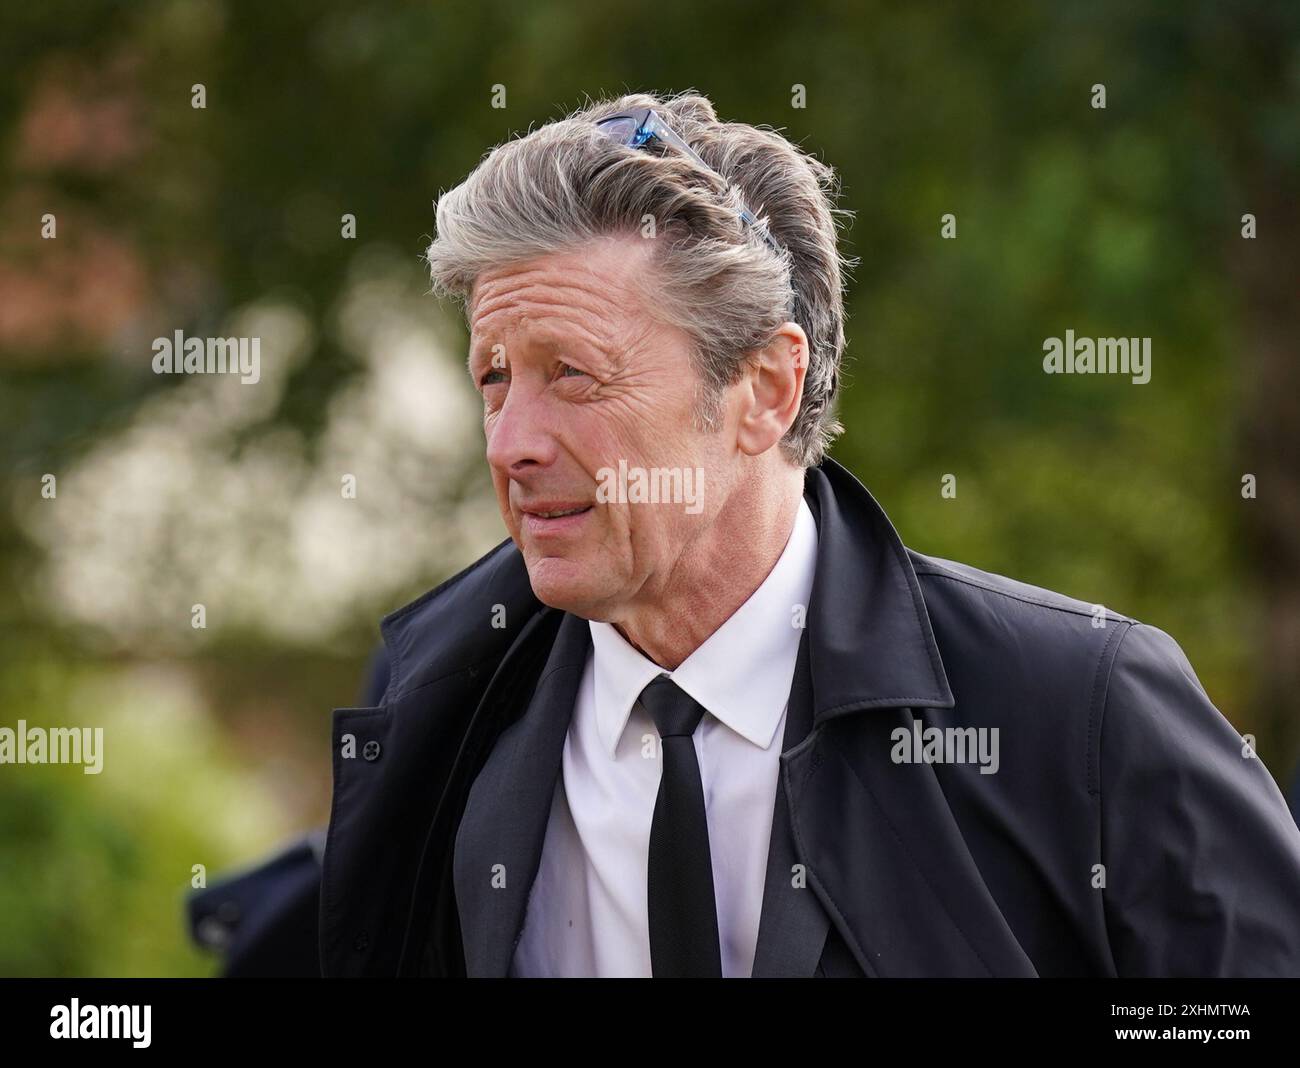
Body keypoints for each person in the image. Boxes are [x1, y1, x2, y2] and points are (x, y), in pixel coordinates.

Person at [319, 90, 1300, 977]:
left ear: (763, 390)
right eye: (493, 377)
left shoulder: (1081, 710)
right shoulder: (436, 709)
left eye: (571, 373)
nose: (513, 442)